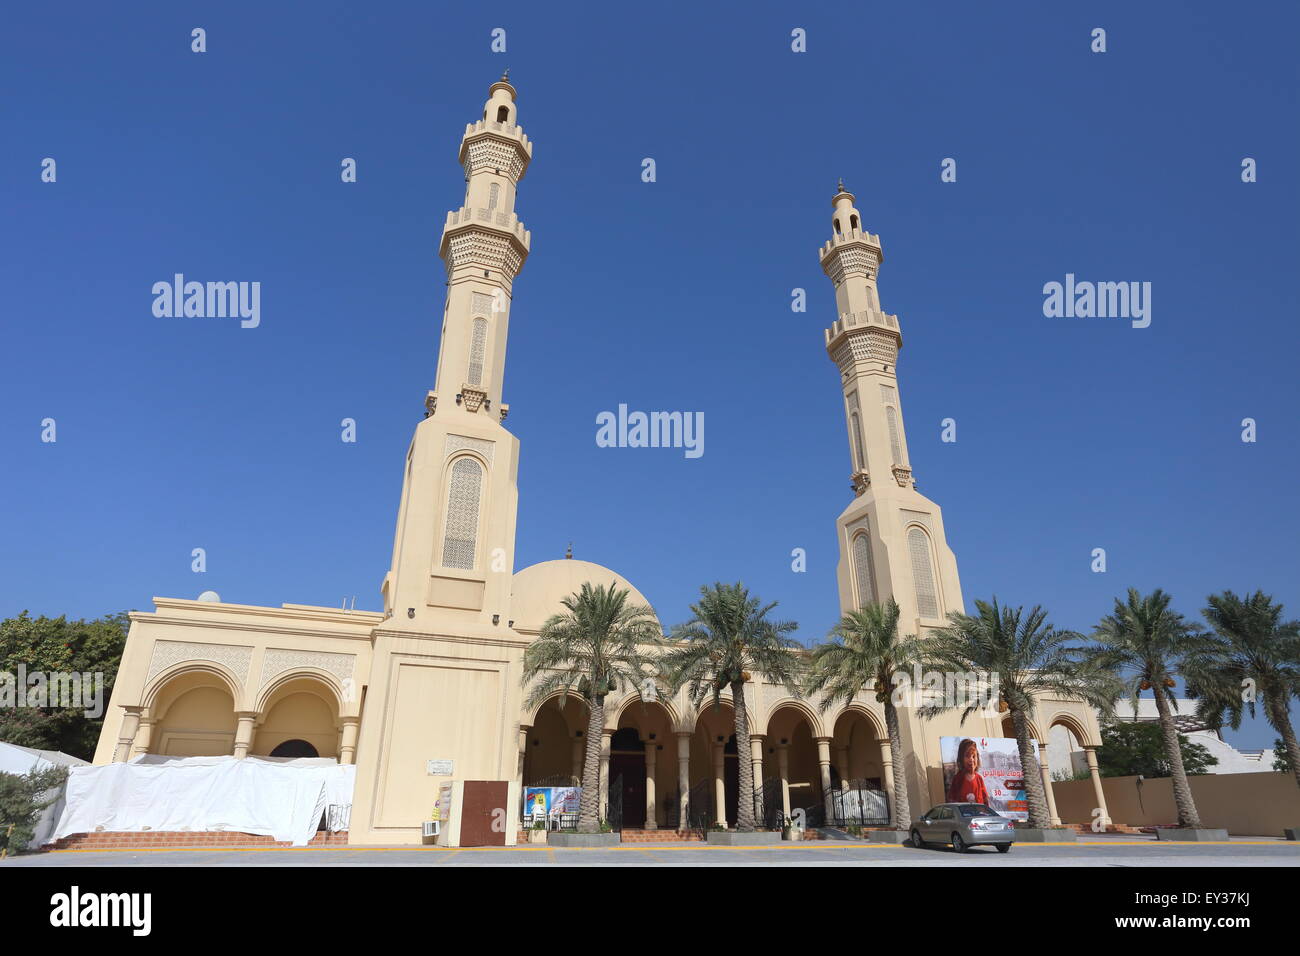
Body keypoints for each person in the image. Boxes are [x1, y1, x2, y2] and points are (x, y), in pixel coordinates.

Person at [947, 738, 989, 804]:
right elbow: (952, 800)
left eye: (973, 756)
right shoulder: (957, 779)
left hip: (979, 814)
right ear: (961, 759)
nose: (971, 759)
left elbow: (985, 800)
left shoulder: (979, 779)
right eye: (967, 756)